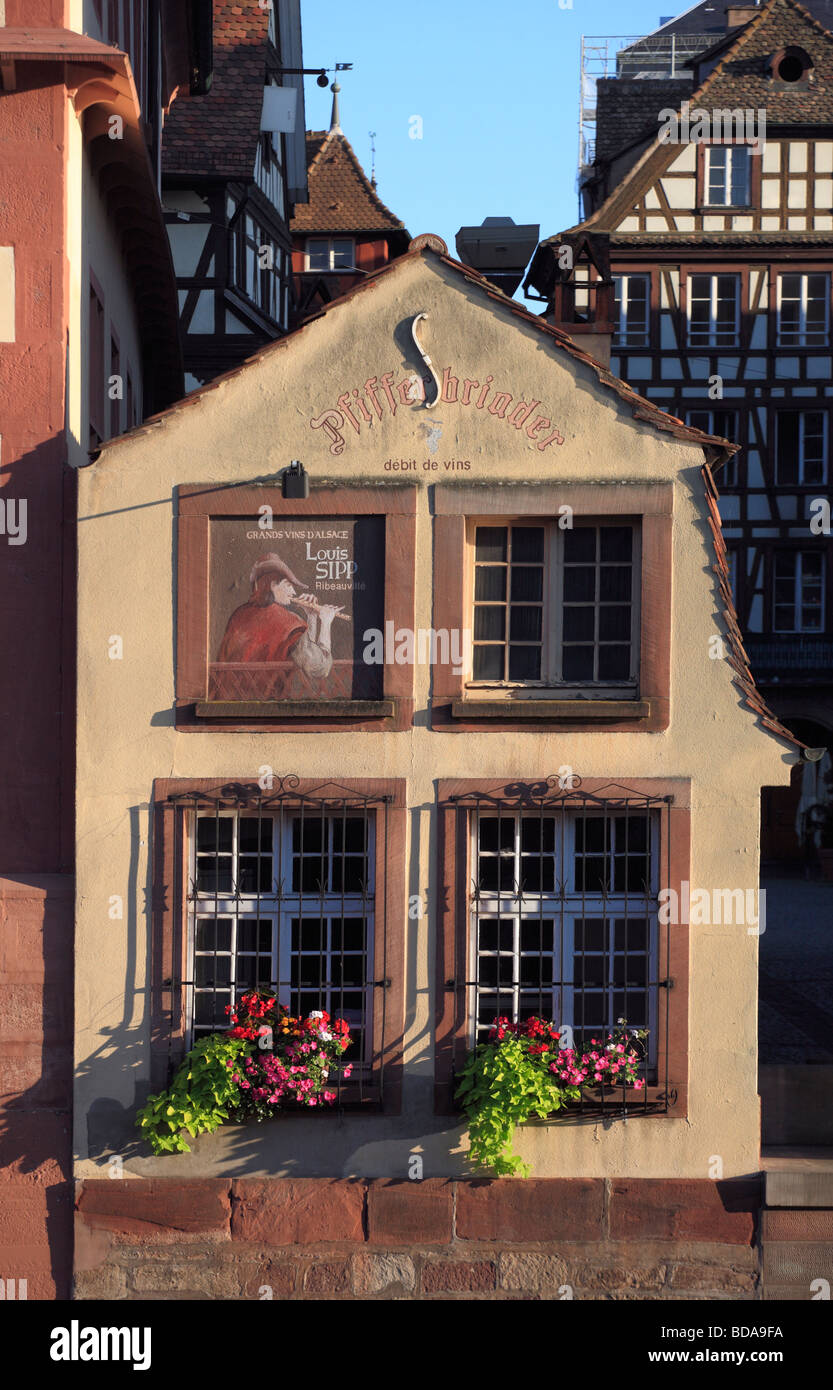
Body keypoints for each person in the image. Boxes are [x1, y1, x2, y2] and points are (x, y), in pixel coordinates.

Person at [216, 554, 343, 679]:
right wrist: (326, 622)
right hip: (268, 697)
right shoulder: (290, 623)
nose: (293, 592)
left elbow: (304, 656)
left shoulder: (239, 614)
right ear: (272, 585)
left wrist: (311, 617)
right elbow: (319, 668)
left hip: (230, 696)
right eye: (288, 585)